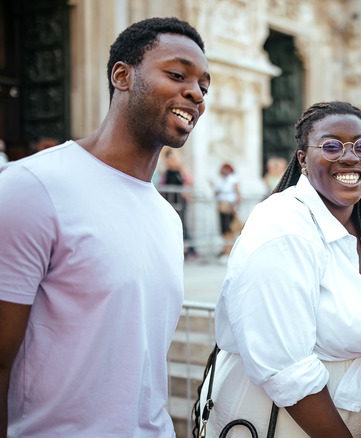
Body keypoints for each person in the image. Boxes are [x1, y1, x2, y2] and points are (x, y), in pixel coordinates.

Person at [0, 17, 209, 437]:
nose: (196, 93)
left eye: (205, 85)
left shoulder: (167, 218)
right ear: (122, 76)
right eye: (177, 74)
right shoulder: (31, 188)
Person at [196, 101, 361, 437]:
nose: (350, 156)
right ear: (302, 159)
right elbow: (287, 370)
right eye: (331, 146)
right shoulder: (283, 227)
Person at [160, 147, 198, 259]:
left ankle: (187, 250)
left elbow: (190, 182)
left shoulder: (181, 170)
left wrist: (186, 193)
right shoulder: (165, 171)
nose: (171, 160)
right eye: (169, 157)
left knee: (182, 225)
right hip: (169, 202)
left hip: (180, 202)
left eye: (173, 157)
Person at [215, 162, 240, 260]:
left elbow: (237, 193)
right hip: (222, 206)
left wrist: (236, 208)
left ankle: (229, 251)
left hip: (230, 207)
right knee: (224, 230)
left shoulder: (233, 179)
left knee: (229, 230)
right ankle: (226, 250)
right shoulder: (221, 180)